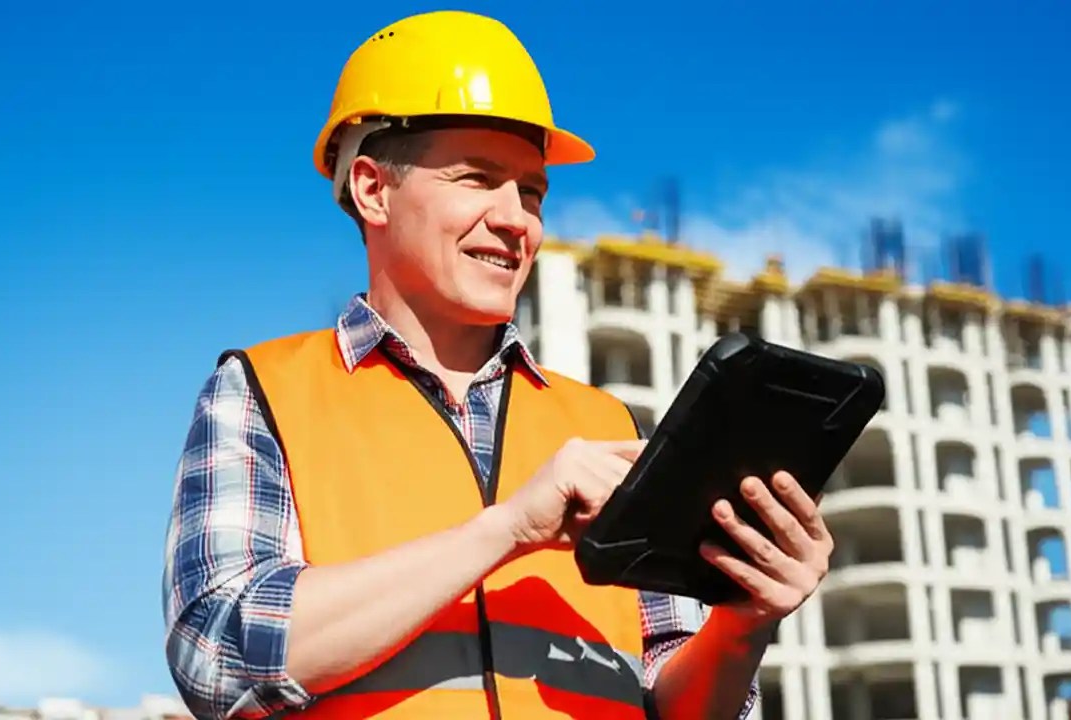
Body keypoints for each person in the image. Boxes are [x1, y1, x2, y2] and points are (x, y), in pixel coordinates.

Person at [162, 10, 834, 719]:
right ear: (371, 189)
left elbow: (677, 704)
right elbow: (219, 656)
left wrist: (742, 624)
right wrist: (507, 529)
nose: (518, 220)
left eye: (533, 192)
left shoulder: (602, 423)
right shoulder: (265, 393)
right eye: (477, 179)